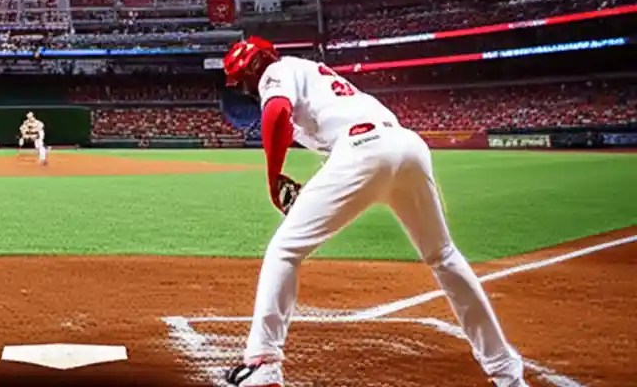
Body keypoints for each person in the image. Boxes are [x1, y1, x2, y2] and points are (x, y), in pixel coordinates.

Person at [221, 37, 526, 387]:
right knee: (443, 255)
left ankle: (263, 363)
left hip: (363, 151)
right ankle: (507, 374)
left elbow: (276, 112)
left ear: (253, 66)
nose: (246, 88)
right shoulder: (313, 78)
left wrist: (273, 178)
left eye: (243, 79)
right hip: (407, 146)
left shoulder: (277, 70)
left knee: (284, 250)